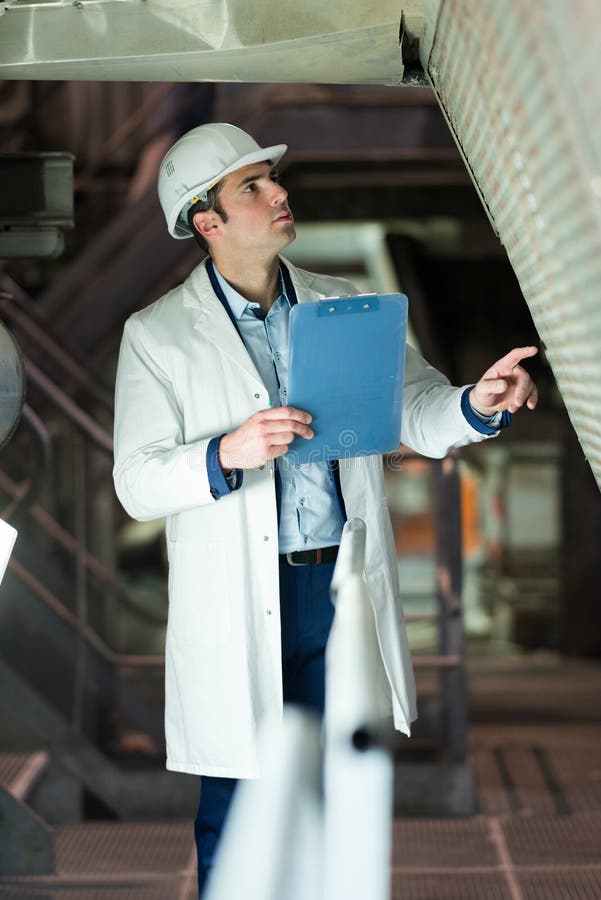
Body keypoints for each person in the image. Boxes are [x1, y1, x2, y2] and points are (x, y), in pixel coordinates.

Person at [112, 123, 538, 895]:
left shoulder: (346, 305)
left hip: (338, 589)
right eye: (251, 187)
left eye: (272, 179)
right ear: (207, 221)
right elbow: (136, 482)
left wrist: (476, 405)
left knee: (344, 793)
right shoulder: (156, 336)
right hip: (240, 596)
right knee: (238, 806)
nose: (278, 193)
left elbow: (412, 414)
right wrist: (226, 452)